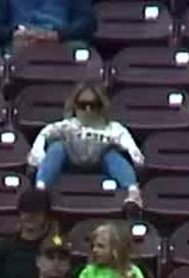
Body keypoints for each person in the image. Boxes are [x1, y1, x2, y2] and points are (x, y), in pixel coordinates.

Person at [29, 83, 145, 214]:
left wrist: (136, 157)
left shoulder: (113, 128)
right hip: (70, 159)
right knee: (57, 148)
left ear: (101, 107)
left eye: (93, 105)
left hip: (100, 160)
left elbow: (129, 144)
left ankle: (133, 193)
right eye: (83, 105)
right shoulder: (67, 125)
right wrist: (37, 154)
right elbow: (45, 135)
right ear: (75, 106)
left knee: (112, 156)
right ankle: (40, 190)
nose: (88, 110)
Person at [0, 0, 96, 53]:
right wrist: (14, 33)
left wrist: (57, 34)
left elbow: (87, 22)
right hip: (20, 38)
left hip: (60, 39)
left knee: (79, 50)